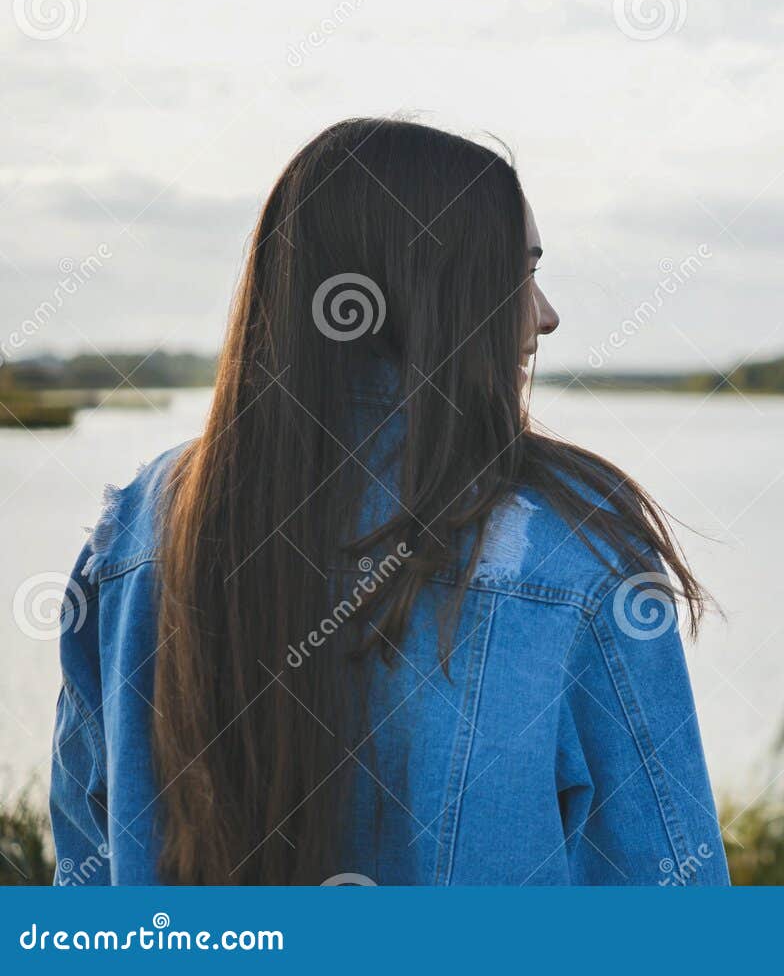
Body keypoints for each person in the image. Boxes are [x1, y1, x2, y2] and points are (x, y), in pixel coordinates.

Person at [50, 119, 727, 885]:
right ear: (436, 292)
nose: (544, 314)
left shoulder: (142, 523)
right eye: (517, 272)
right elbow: (669, 889)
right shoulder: (567, 545)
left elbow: (85, 864)